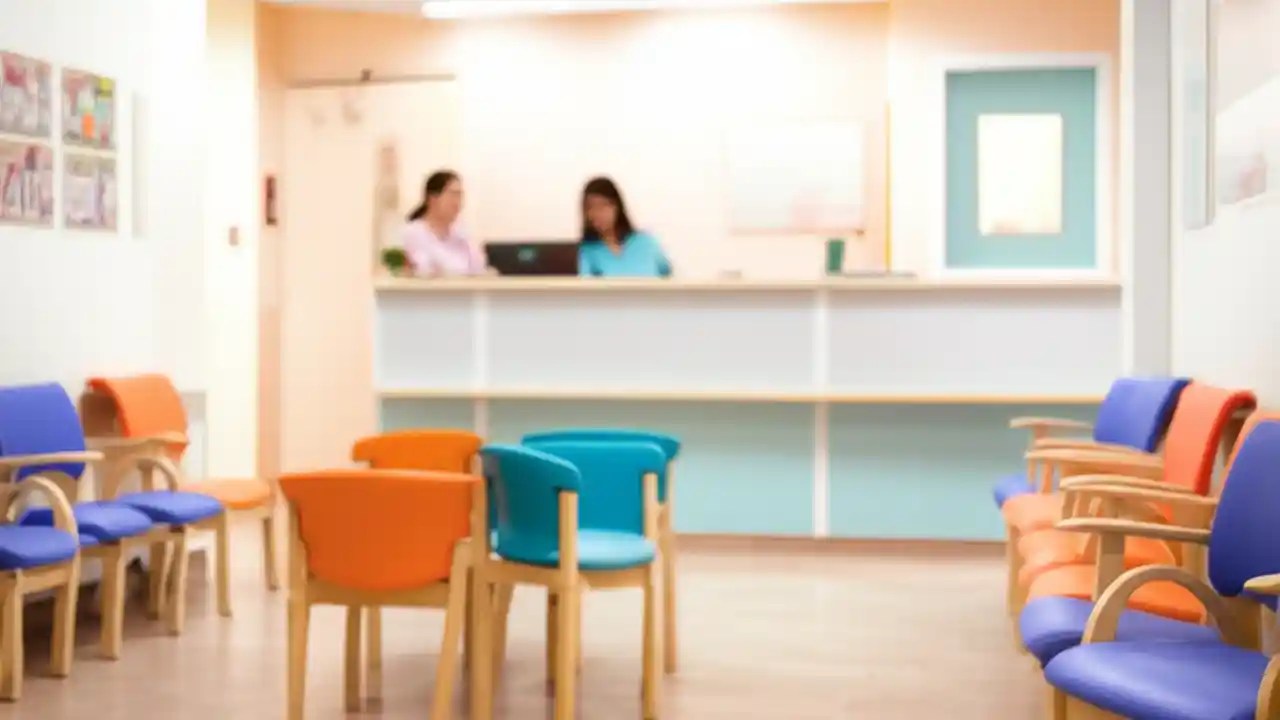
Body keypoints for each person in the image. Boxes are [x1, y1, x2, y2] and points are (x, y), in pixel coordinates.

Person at [578, 176, 672, 278]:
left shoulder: (646, 242)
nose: (596, 213)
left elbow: (667, 277)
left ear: (617, 206)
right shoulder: (586, 252)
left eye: (603, 205)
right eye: (590, 207)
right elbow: (587, 288)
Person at [401, 170, 485, 277]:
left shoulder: (462, 233)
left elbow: (478, 270)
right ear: (432, 198)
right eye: (453, 194)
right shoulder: (414, 233)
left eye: (460, 195)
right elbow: (424, 271)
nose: (457, 202)